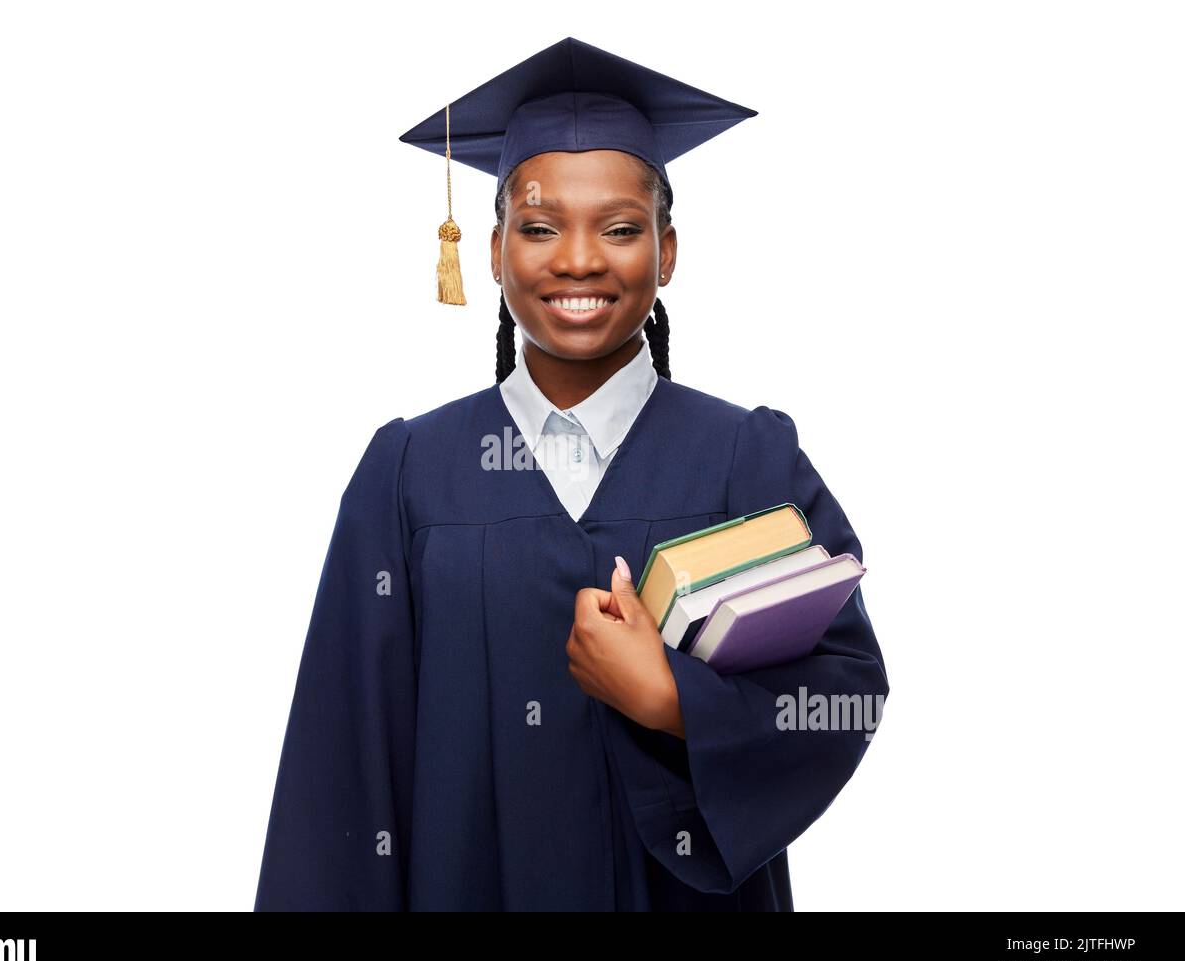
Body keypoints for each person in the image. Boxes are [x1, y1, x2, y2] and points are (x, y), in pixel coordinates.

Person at [253, 36, 889, 911]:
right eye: (542, 227)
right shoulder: (408, 477)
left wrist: (677, 703)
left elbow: (844, 695)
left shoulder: (747, 460)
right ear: (493, 250)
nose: (580, 260)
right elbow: (343, 767)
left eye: (622, 229)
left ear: (667, 253)